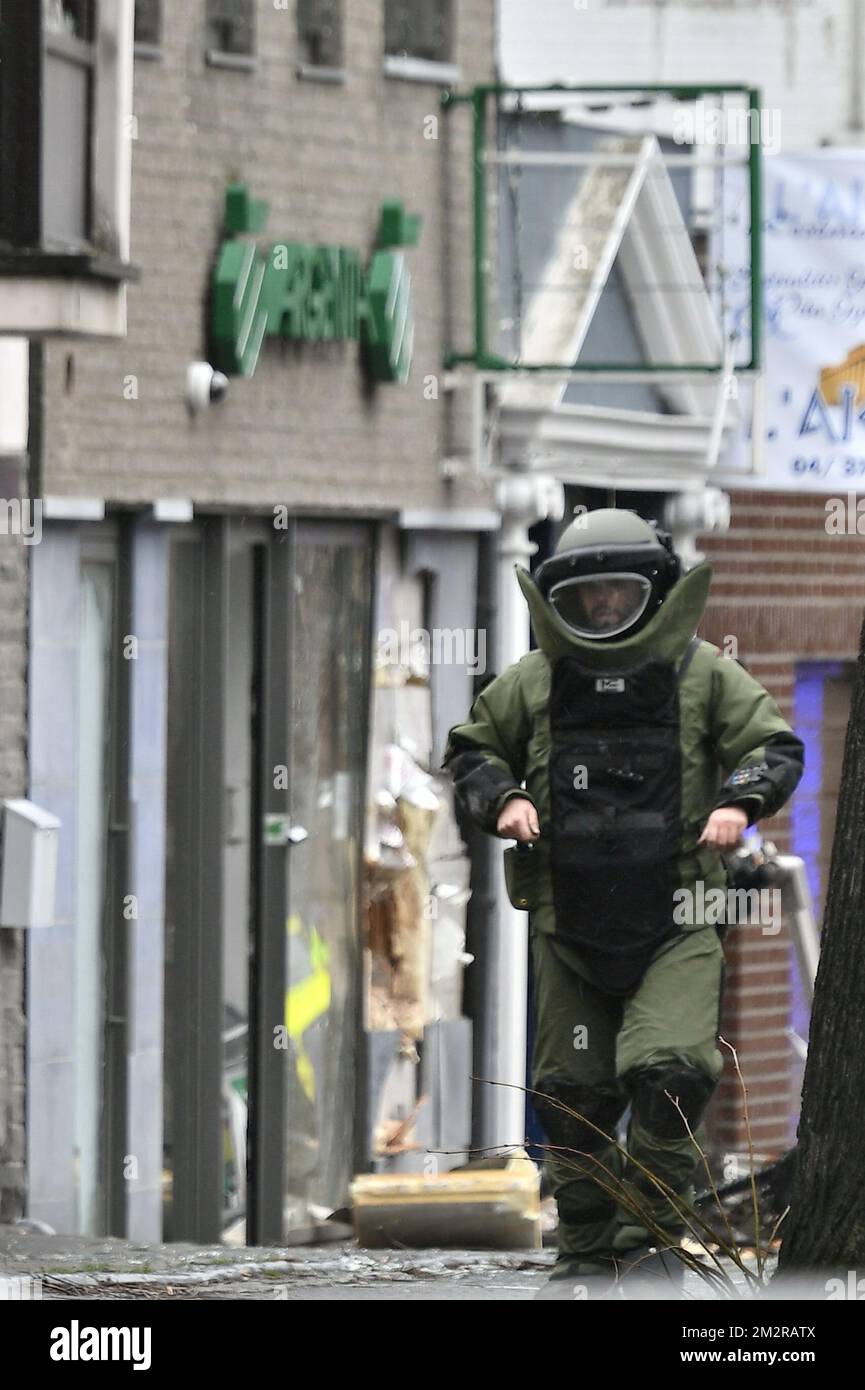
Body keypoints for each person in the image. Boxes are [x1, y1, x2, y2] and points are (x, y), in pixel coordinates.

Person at [441, 508, 804, 1297]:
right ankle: (583, 1256)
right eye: (588, 596)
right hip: (567, 925)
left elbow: (771, 746)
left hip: (676, 921)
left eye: (619, 593)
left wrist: (739, 802)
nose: (604, 608)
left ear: (656, 594)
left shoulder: (704, 673)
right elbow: (471, 748)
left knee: (667, 1074)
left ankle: (648, 1246)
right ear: (560, 601)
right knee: (570, 1100)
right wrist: (501, 797)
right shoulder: (532, 681)